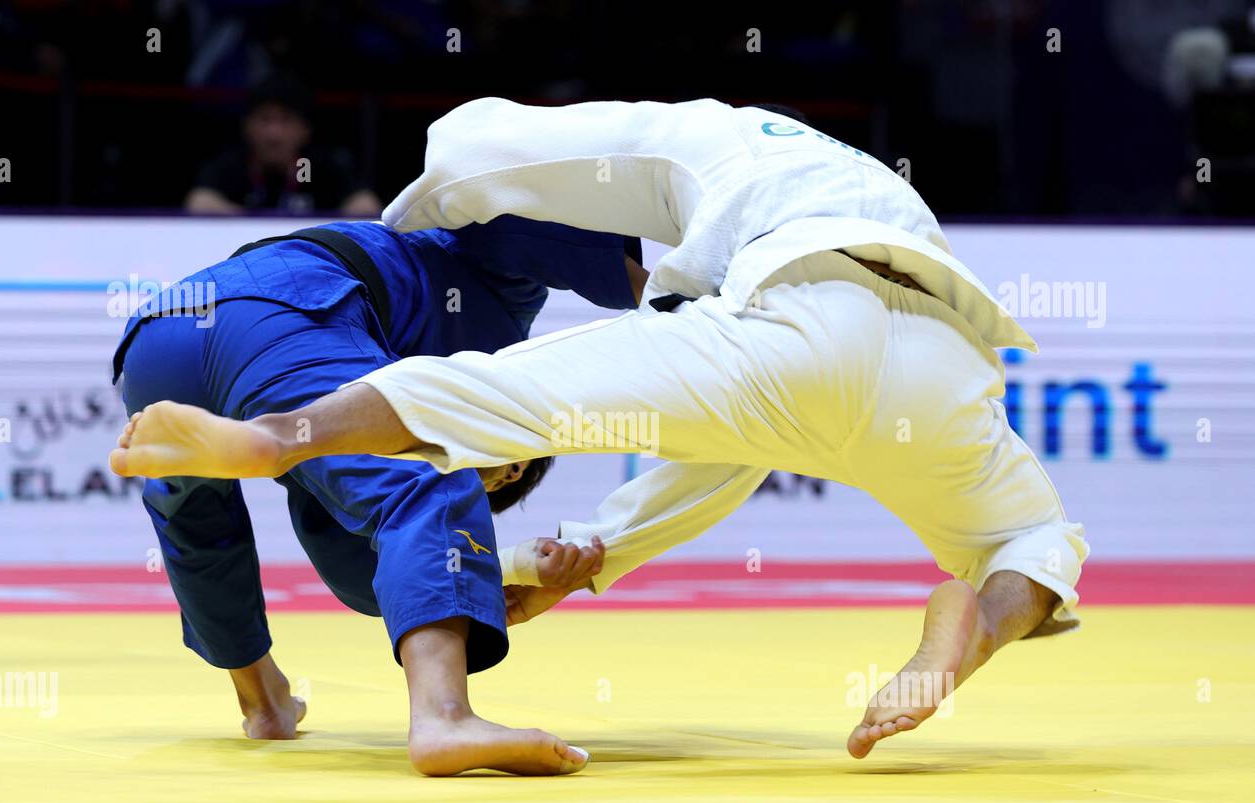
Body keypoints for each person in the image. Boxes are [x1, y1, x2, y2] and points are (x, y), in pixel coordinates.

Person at [110, 98, 1090, 760]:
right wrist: (596, 554)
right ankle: (975, 635)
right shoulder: (825, 176)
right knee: (1031, 538)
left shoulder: (699, 135)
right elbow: (709, 458)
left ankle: (281, 456)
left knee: (471, 409)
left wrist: (427, 198)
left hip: (791, 310)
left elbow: (474, 142)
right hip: (947, 354)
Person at [110, 211, 647, 775]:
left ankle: (265, 702)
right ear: (514, 462)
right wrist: (659, 293)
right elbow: (530, 217)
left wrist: (498, 579)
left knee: (200, 520)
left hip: (158, 339)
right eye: (500, 474)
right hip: (287, 312)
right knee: (432, 478)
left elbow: (364, 571)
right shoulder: (503, 316)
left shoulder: (442, 327)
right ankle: (445, 719)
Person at [185, 74, 382, 216]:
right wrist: (254, 222)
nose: (274, 134)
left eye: (285, 121)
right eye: (265, 120)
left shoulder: (322, 166)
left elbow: (367, 207)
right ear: (246, 127)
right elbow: (199, 202)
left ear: (305, 130)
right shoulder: (232, 163)